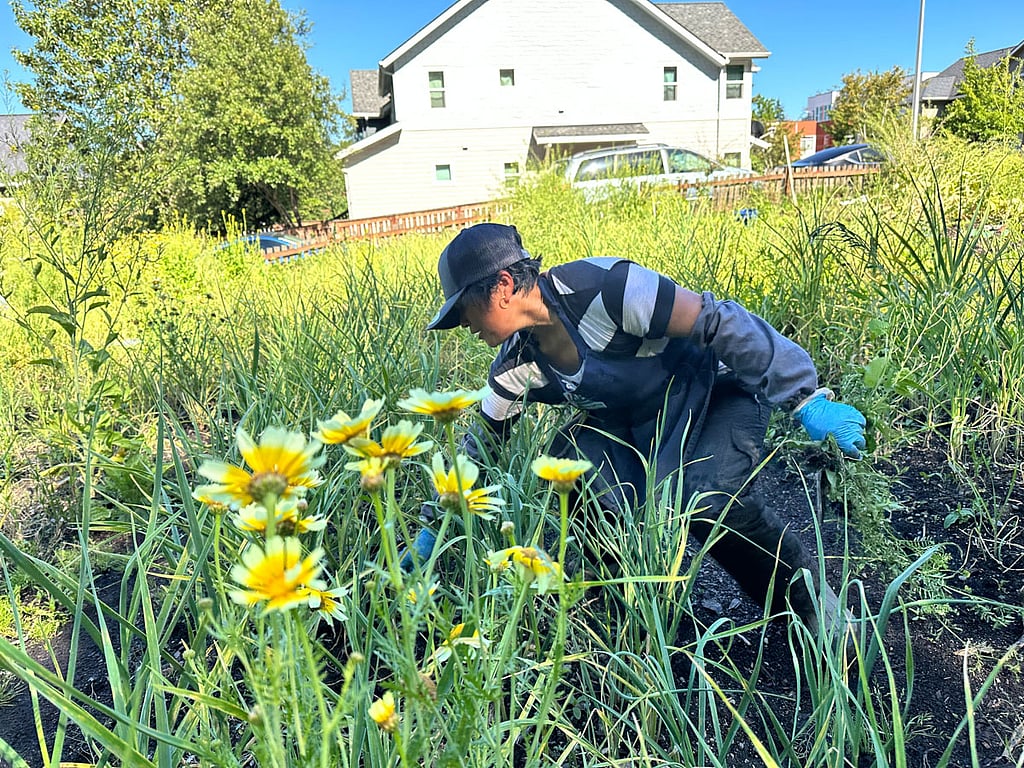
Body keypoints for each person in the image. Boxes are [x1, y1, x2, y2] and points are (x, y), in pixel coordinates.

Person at [418, 222, 866, 634]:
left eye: (464, 312)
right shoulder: (518, 364)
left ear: (503, 286)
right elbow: (480, 449)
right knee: (571, 464)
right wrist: (430, 533)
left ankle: (816, 612)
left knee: (708, 498)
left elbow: (718, 320)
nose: (465, 327)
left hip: (713, 391)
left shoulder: (606, 290)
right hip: (641, 423)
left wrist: (805, 398)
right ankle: (637, 611)